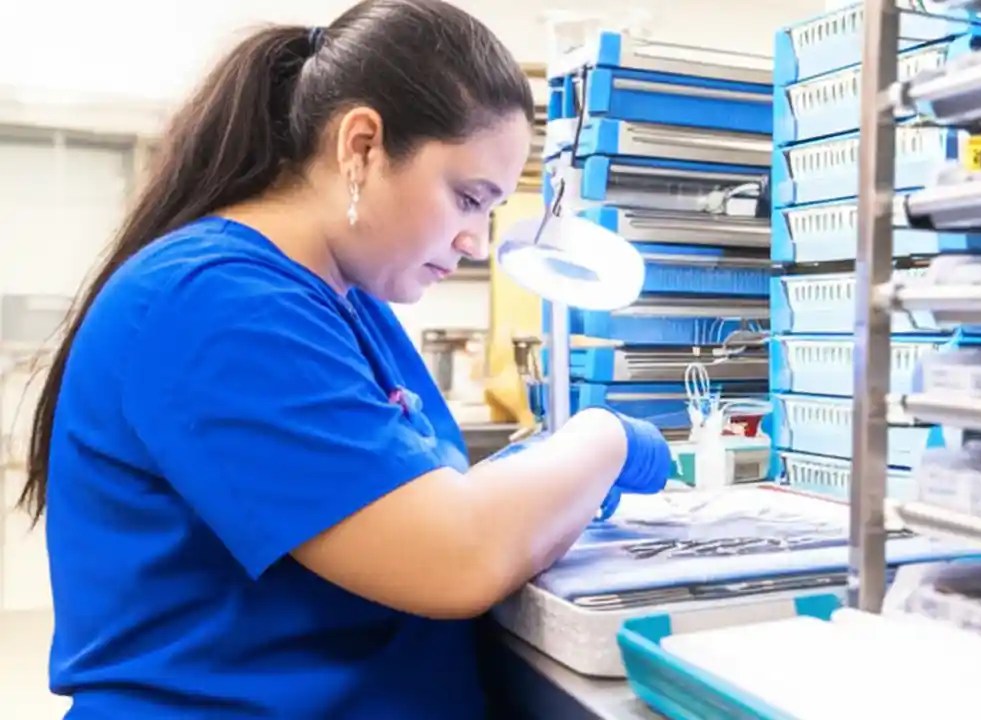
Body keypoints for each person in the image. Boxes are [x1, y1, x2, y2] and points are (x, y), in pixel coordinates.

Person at [20, 1, 672, 717]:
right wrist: (599, 441)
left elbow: (408, 500)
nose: (477, 243)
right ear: (361, 145)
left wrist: (546, 492)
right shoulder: (215, 303)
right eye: (466, 199)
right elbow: (452, 557)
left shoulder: (346, 304)